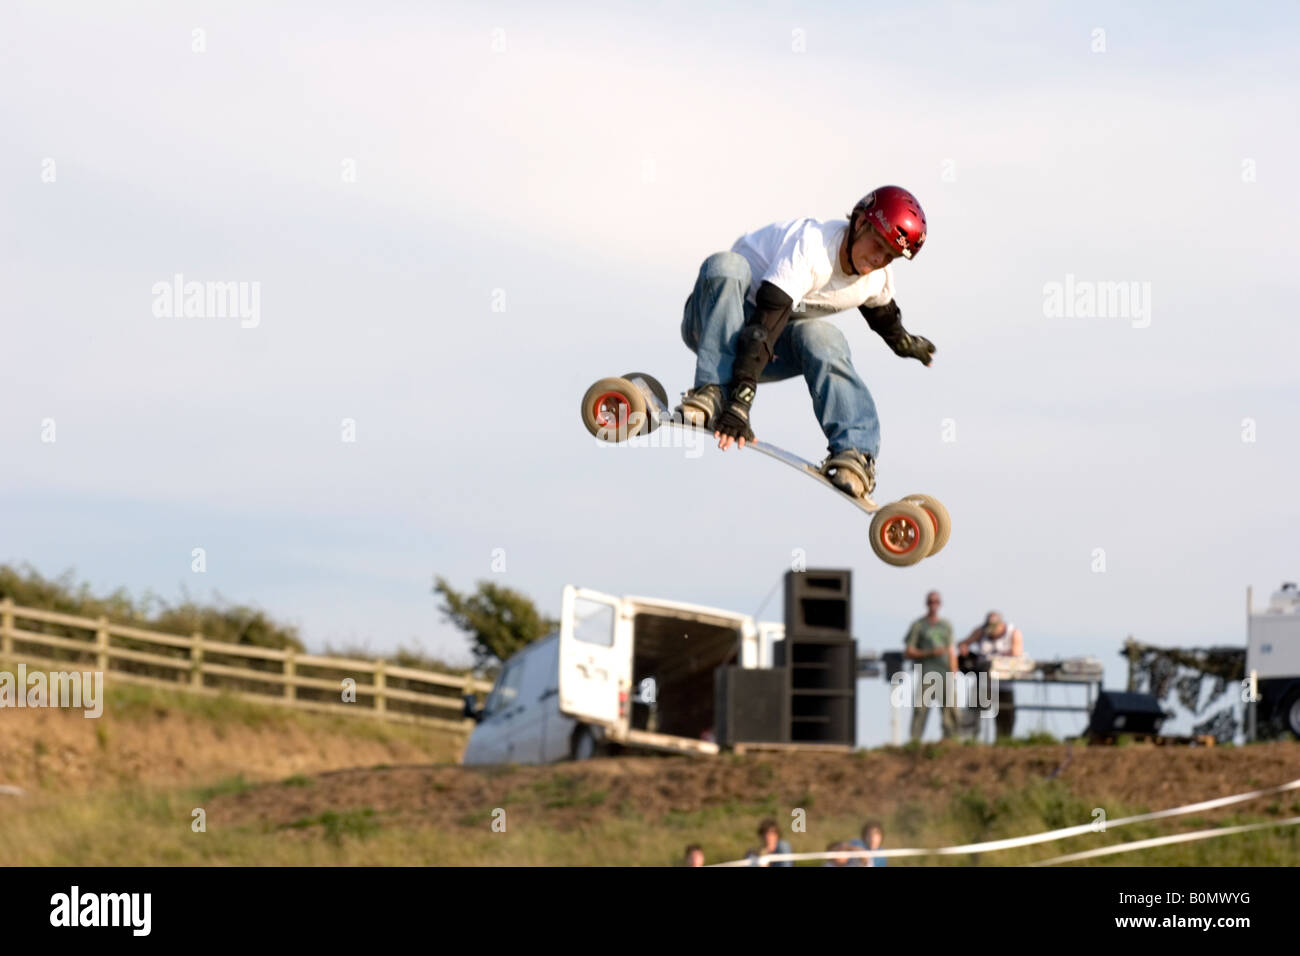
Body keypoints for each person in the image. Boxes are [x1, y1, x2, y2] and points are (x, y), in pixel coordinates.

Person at [675, 186, 932, 497]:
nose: (878, 259)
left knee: (823, 337)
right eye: (877, 245)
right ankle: (711, 391)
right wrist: (738, 404)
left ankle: (854, 453)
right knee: (728, 265)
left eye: (890, 255)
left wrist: (906, 343)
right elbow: (763, 328)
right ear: (860, 222)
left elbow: (885, 319)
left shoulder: (877, 278)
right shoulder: (812, 250)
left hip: (766, 350)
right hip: (712, 325)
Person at [957, 611, 1024, 739]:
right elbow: (962, 644)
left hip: (1004, 685)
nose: (990, 633)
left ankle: (1003, 744)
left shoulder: (1013, 633)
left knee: (1005, 718)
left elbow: (1017, 654)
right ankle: (967, 742)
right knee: (971, 714)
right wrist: (965, 651)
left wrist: (998, 659)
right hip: (982, 683)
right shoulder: (981, 632)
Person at [904, 591, 957, 740]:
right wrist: (930, 653)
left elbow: (951, 650)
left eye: (937, 601)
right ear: (926, 603)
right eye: (931, 601)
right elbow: (908, 651)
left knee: (950, 710)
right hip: (926, 673)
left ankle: (951, 742)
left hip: (945, 673)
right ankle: (914, 742)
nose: (934, 604)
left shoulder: (945, 625)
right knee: (920, 710)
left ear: (940, 604)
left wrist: (954, 672)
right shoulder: (919, 625)